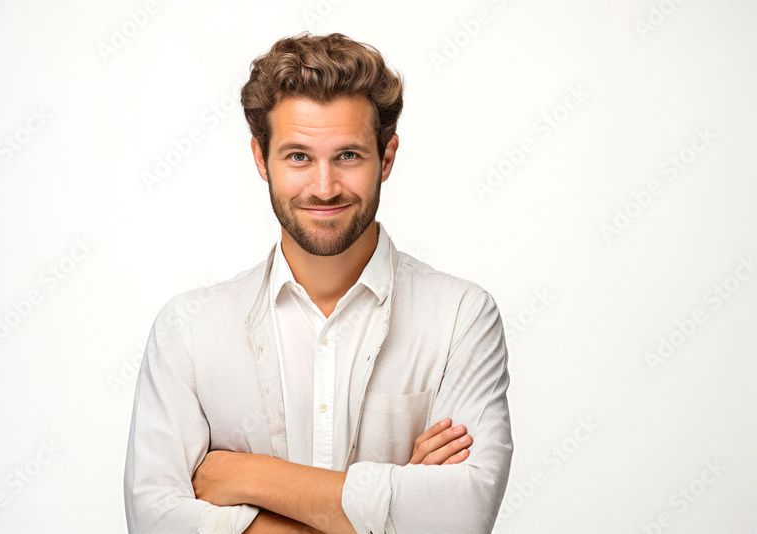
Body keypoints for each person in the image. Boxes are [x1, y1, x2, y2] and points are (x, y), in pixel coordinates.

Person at [124, 32, 513, 534]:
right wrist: (394, 505)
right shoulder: (188, 329)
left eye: (348, 155)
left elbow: (461, 518)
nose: (324, 187)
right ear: (261, 159)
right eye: (298, 157)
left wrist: (248, 476)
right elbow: (154, 520)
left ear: (386, 158)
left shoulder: (460, 316)